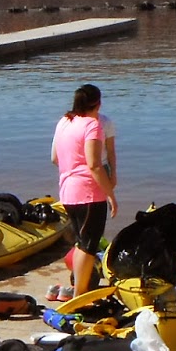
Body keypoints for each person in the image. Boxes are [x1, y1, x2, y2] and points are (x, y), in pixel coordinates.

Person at [50, 84, 117, 295]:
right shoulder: (92, 125)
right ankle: (79, 293)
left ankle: (79, 289)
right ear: (98, 103)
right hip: (89, 193)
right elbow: (94, 164)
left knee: (82, 242)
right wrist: (110, 194)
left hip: (67, 191)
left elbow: (54, 158)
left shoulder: (64, 121)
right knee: (88, 245)